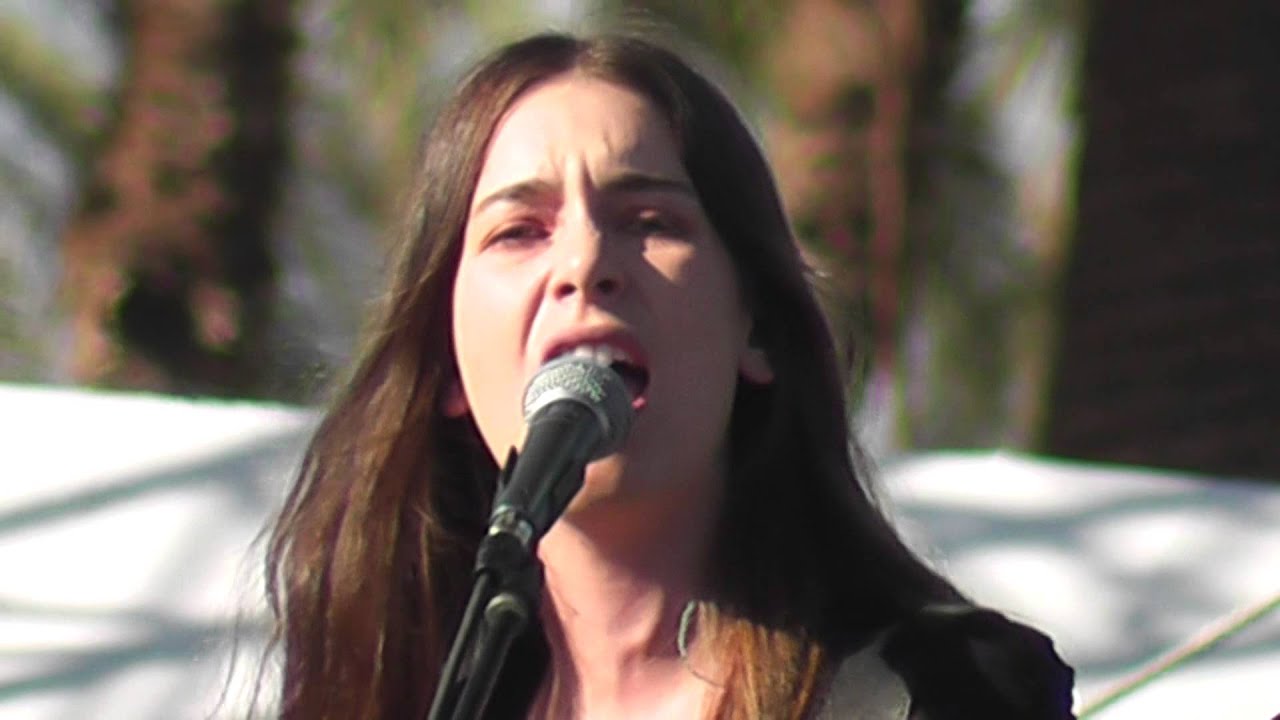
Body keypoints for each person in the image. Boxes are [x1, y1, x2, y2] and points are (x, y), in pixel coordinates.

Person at [262, 31, 1075, 719]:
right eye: (520, 231)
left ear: (753, 327)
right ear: (446, 368)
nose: (583, 263)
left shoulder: (939, 693)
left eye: (648, 221)